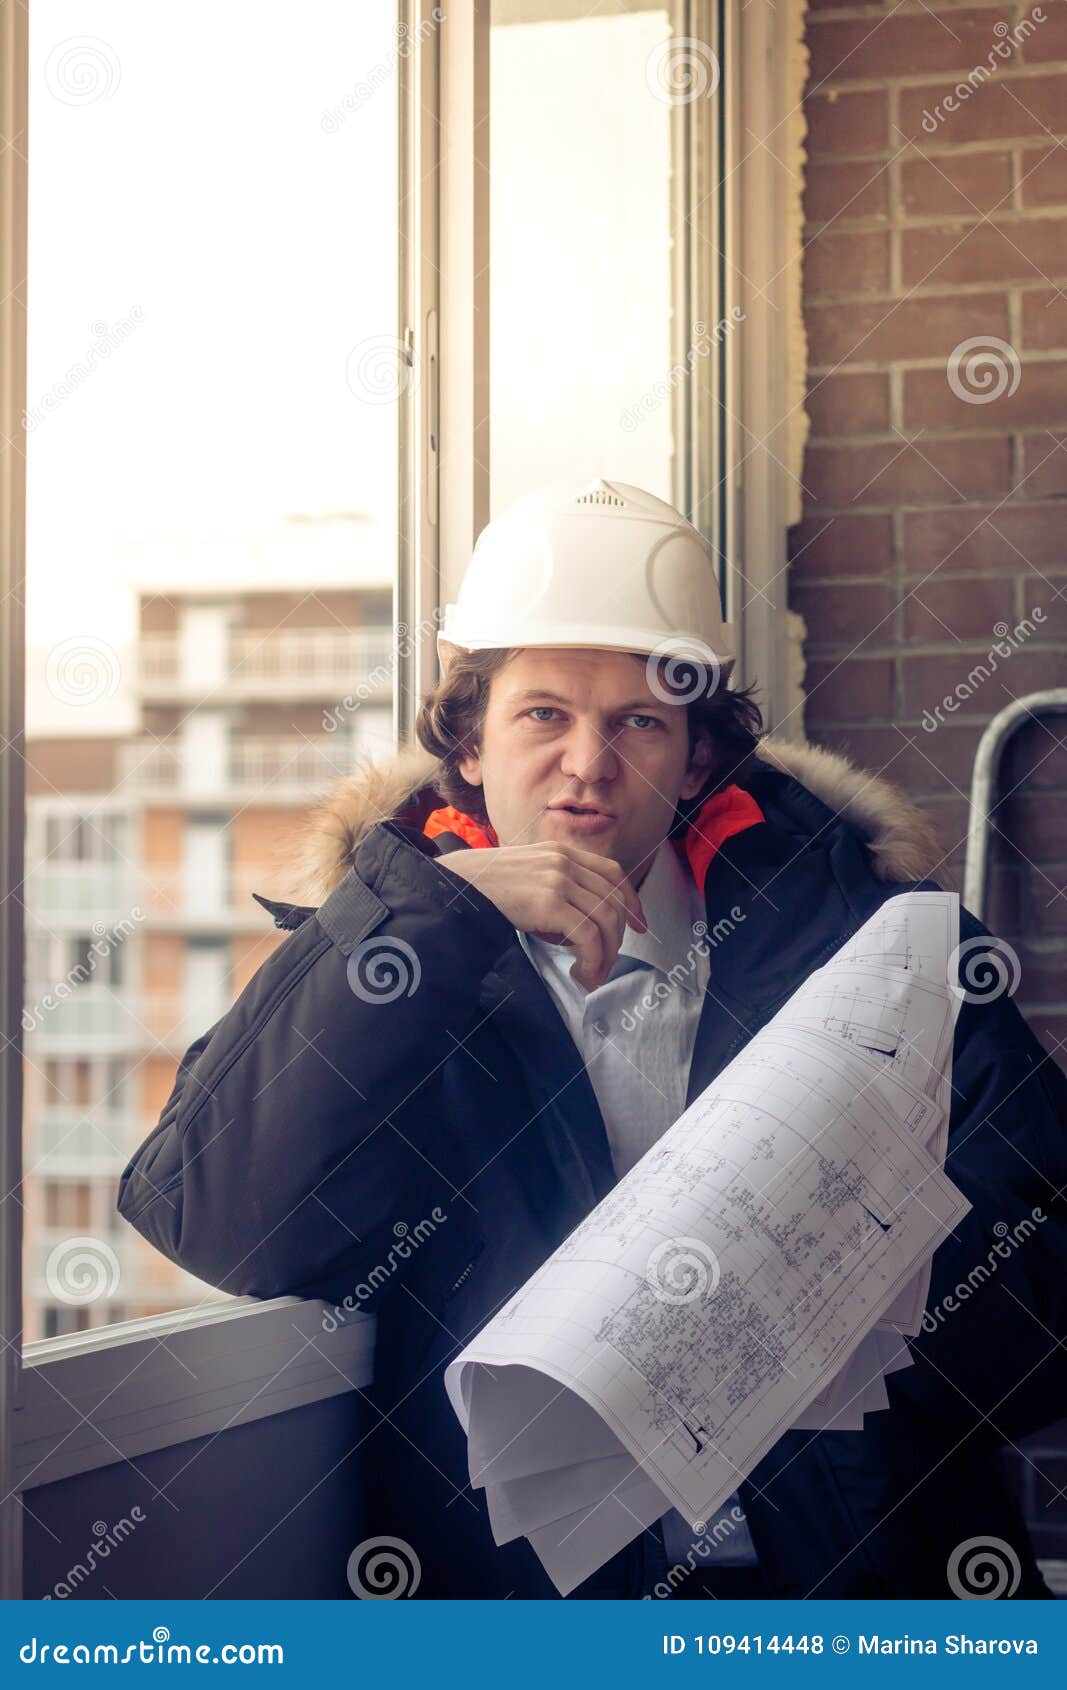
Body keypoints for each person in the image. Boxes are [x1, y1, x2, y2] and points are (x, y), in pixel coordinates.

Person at [116, 477, 1067, 1599]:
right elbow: (220, 1221)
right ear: (467, 743)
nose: (587, 760)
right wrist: (432, 918)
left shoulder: (874, 944)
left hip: (852, 1585)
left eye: (638, 722)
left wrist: (810, 1340)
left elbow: (1043, 1290)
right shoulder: (386, 965)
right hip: (527, 1609)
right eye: (542, 714)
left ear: (697, 757)